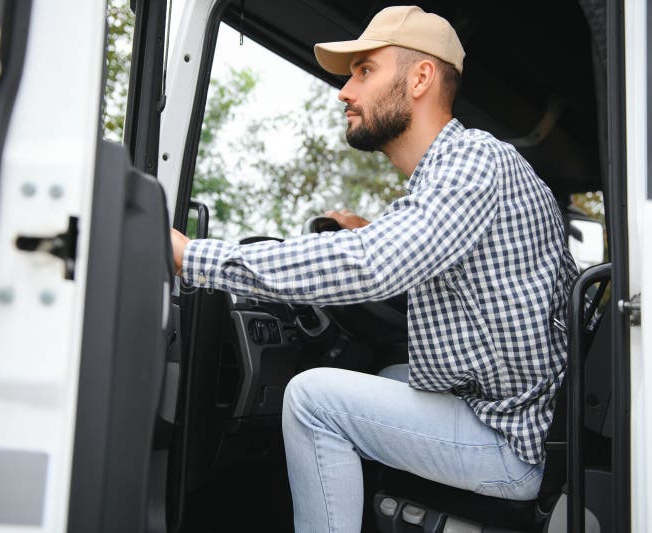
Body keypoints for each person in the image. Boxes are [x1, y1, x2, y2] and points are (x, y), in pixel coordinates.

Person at [171, 5, 577, 532]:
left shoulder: (473, 161)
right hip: (520, 411)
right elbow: (413, 260)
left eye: (365, 71)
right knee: (387, 375)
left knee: (311, 399)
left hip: (509, 440)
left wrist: (192, 255)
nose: (344, 91)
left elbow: (368, 266)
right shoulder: (459, 173)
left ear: (420, 78)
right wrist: (370, 233)